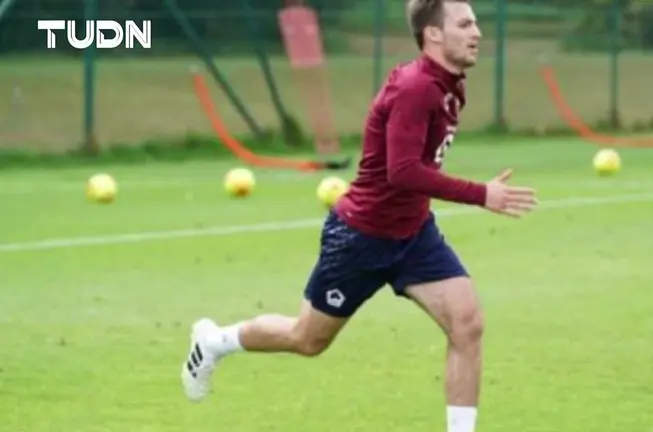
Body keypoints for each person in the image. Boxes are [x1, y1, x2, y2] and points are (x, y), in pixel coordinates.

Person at [181, 1, 538, 431]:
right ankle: (216, 341)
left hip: (413, 233)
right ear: (434, 35)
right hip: (360, 238)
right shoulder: (416, 88)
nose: (477, 32)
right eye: (465, 24)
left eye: (476, 23)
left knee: (467, 324)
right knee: (306, 339)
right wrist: (482, 194)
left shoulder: (448, 84)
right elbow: (402, 171)